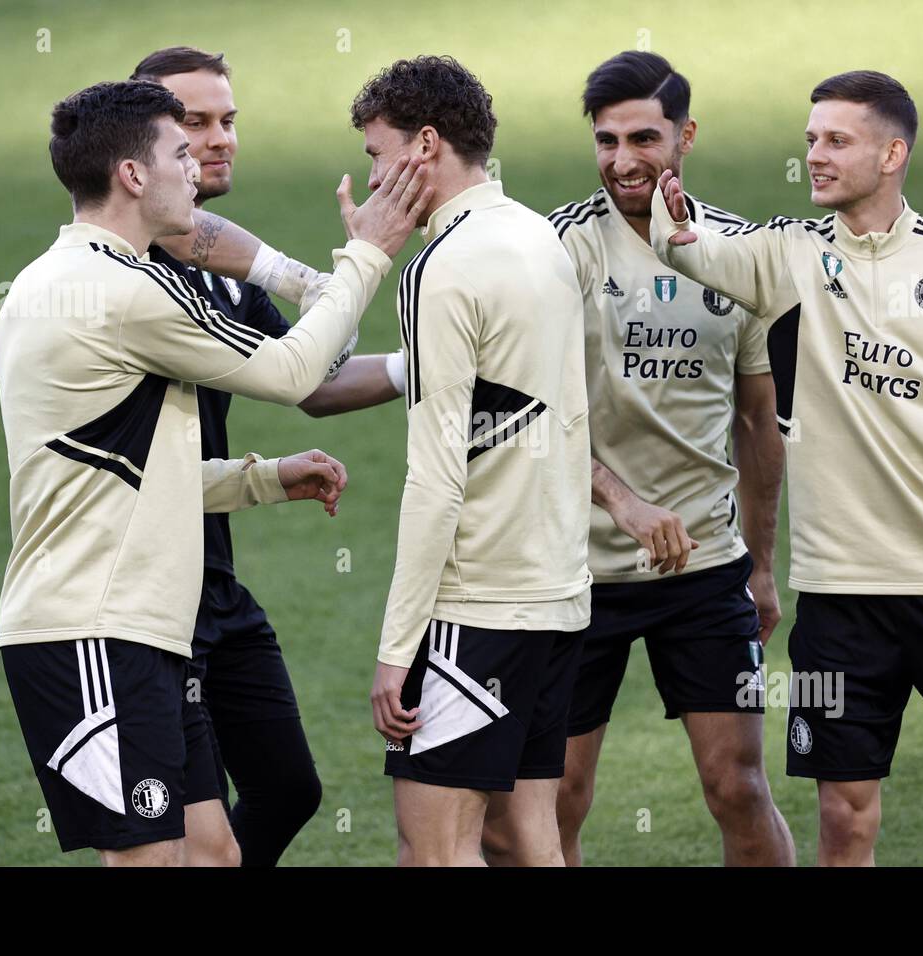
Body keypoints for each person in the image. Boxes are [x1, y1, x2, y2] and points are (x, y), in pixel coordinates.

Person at [0, 78, 428, 865]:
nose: (195, 166)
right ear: (133, 175)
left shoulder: (53, 280)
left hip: (127, 627)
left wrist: (262, 479)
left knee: (212, 854)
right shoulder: (121, 293)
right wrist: (365, 254)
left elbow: (120, 478)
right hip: (95, 626)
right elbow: (295, 372)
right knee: (152, 861)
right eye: (177, 151)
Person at [651, 70, 923, 865]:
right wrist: (670, 215)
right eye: (810, 139)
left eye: (836, 140)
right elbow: (694, 252)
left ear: (892, 153)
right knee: (844, 821)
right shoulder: (787, 254)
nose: (814, 155)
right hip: (836, 602)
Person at [495, 50, 793, 867]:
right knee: (556, 798)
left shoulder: (740, 253)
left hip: (704, 571)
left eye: (643, 138)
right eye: (606, 141)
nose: (623, 161)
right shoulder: (554, 250)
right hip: (575, 571)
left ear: (685, 136)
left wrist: (762, 567)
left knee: (737, 787)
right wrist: (619, 499)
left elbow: (760, 426)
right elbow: (531, 414)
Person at [131, 45, 411, 867]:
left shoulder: (216, 276)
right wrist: (351, 267)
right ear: (143, 142)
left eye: (228, 121)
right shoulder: (129, 276)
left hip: (211, 577)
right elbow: (301, 371)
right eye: (194, 124)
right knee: (187, 844)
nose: (219, 141)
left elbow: (312, 375)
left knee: (288, 789)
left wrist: (420, 364)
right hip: (146, 591)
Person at [354, 56, 592, 866]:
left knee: (434, 847)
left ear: (426, 145)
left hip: (477, 605)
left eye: (376, 156)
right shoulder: (539, 236)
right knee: (530, 838)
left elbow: (436, 478)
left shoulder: (440, 267)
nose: (376, 178)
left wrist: (397, 649)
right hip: (556, 595)